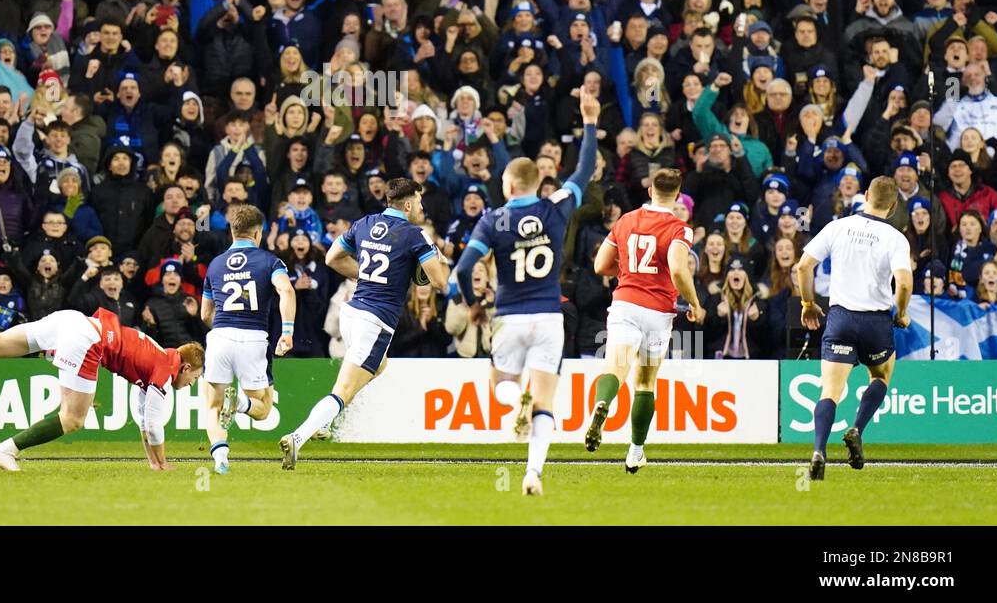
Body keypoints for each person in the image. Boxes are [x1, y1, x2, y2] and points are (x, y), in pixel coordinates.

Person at [451, 90, 599, 495]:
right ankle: (533, 474)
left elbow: (465, 268)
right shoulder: (556, 208)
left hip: (510, 316)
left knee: (499, 380)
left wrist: (475, 304)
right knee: (546, 401)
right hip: (551, 316)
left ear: (511, 184)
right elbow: (584, 170)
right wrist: (589, 122)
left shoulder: (493, 220)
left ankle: (515, 396)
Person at [0, 285, 203, 472]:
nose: (190, 385)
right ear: (186, 367)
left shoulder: (161, 355)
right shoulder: (165, 373)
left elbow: (143, 419)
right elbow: (152, 423)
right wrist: (163, 464)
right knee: (73, 419)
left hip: (74, 320)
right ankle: (4, 450)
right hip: (89, 340)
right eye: (193, 379)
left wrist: (154, 461)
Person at [279, 177, 451, 470]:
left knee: (380, 365)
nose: (422, 207)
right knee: (343, 391)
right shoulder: (414, 234)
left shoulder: (365, 223)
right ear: (408, 204)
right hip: (375, 322)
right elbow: (439, 282)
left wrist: (365, 276)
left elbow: (333, 258)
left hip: (352, 313)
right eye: (420, 202)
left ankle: (325, 418)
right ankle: (298, 437)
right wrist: (439, 260)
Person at [792, 176, 913, 480]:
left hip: (841, 318)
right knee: (881, 376)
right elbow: (906, 283)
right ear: (894, 205)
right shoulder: (895, 238)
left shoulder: (838, 226)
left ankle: (819, 450)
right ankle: (857, 428)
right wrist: (901, 312)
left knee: (830, 390)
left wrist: (807, 303)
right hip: (875, 322)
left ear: (866, 195)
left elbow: (803, 266)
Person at [586, 167, 704, 472]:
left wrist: (628, 272)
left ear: (650, 190)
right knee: (645, 382)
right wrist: (694, 302)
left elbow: (600, 265)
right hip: (658, 311)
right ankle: (635, 450)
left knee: (615, 367)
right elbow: (678, 270)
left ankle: (603, 405)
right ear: (677, 196)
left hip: (625, 304)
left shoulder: (626, 220)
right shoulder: (680, 228)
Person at [199, 204, 297, 475]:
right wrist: (286, 331)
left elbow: (205, 313)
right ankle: (240, 403)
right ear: (258, 233)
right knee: (263, 409)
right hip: (253, 339)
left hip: (220, 336)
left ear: (232, 231)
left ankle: (220, 459)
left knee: (212, 406)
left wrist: (222, 325)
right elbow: (286, 291)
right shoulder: (270, 262)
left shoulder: (215, 265)